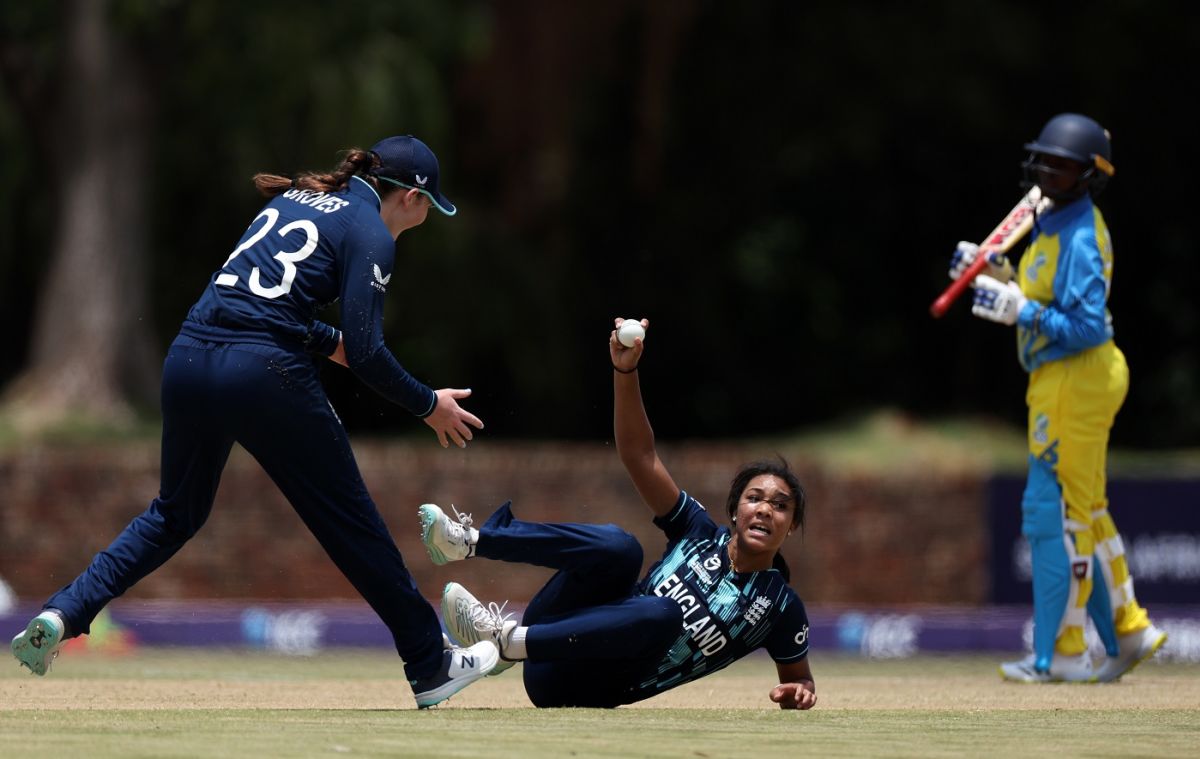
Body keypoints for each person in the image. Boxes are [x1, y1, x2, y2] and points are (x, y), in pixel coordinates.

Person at [9, 135, 499, 708]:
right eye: (425, 213)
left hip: (189, 357)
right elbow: (367, 354)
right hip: (264, 373)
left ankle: (63, 612)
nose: (419, 224)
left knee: (172, 514)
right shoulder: (370, 231)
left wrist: (328, 340)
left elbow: (258, 301)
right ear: (412, 198)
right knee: (350, 522)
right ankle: (430, 663)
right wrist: (427, 403)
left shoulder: (293, 199)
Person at [416, 318, 817, 709]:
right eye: (754, 498)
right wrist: (626, 371)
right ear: (734, 511)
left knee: (660, 613)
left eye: (780, 505)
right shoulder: (697, 532)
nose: (765, 509)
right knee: (621, 547)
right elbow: (640, 457)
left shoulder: (779, 604)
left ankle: (505, 642)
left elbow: (798, 676)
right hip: (552, 634)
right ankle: (470, 542)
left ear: (792, 525)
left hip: (578, 685)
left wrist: (798, 691)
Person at [951, 113, 1166, 683]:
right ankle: (1103, 638)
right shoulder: (1050, 223)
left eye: (1063, 164)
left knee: (1069, 518)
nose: (1048, 170)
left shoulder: (1080, 234)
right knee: (1062, 514)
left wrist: (1017, 309)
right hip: (1055, 380)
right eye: (1044, 159)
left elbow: (1087, 325)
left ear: (1089, 176)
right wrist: (995, 272)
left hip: (1079, 376)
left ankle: (1081, 647)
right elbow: (1039, 294)